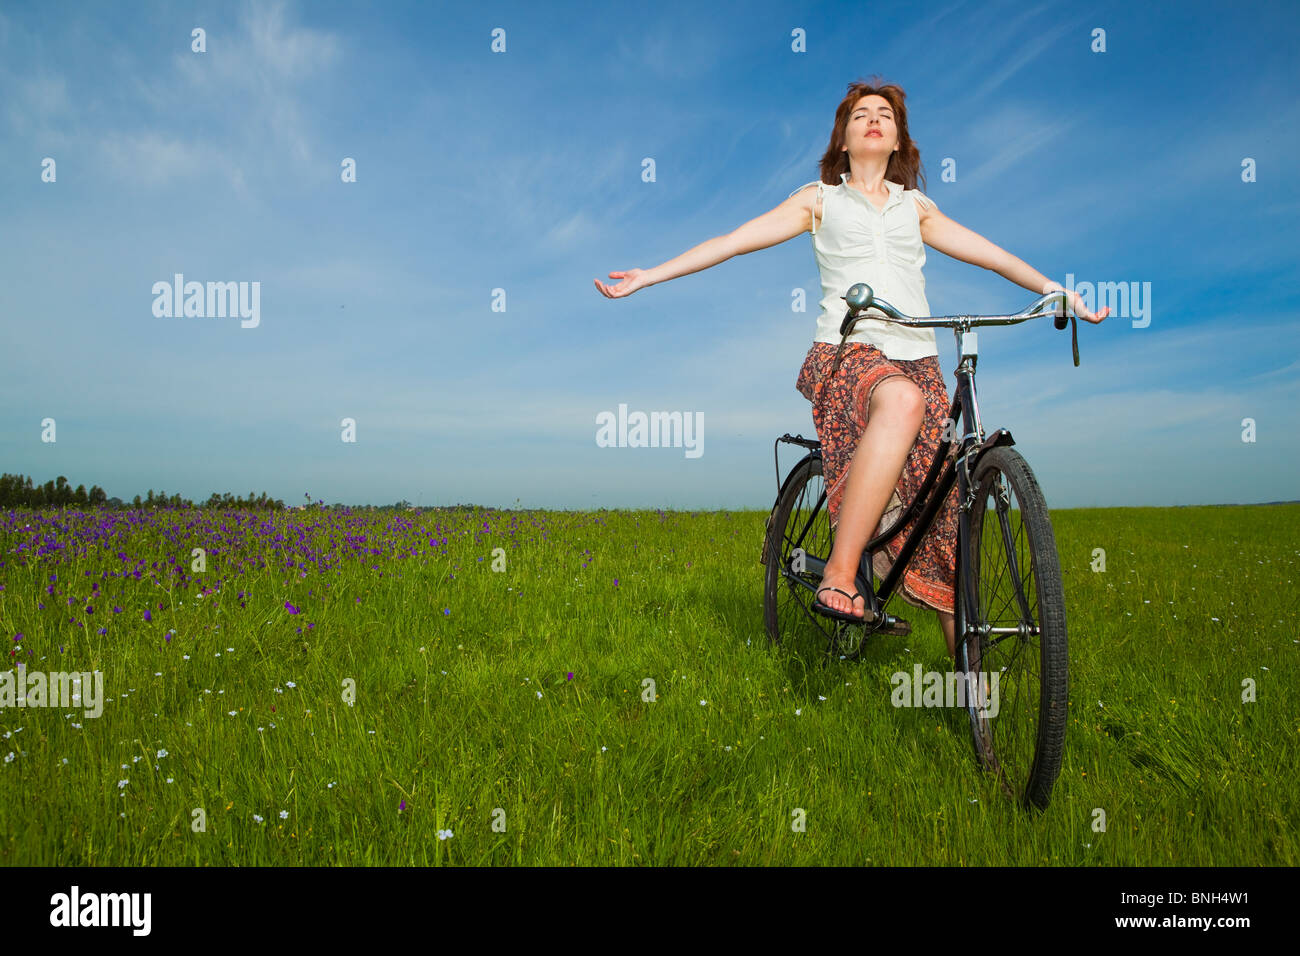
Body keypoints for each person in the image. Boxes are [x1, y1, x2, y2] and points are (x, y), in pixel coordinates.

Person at [595, 78, 1106, 659]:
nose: (872, 120)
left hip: (918, 357)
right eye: (860, 114)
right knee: (902, 402)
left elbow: (990, 254)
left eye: (884, 115)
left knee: (944, 523)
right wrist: (650, 275)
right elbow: (734, 241)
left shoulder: (917, 208)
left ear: (897, 142)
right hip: (848, 354)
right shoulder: (820, 200)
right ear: (843, 138)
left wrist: (1056, 292)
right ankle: (841, 570)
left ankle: (977, 711)